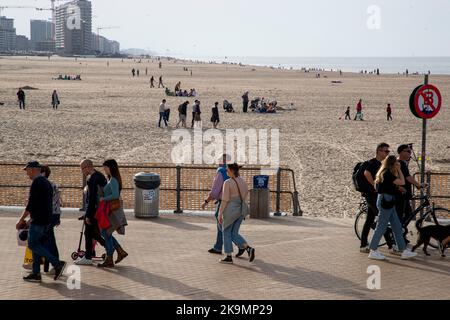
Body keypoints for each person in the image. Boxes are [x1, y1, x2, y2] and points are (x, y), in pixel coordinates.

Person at [16, 161, 66, 282]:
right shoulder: (47, 183)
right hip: (46, 219)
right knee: (37, 244)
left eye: (27, 170)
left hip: (39, 220)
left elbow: (31, 205)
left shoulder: (37, 183)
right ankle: (36, 273)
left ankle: (57, 263)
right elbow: (44, 204)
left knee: (33, 244)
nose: (27, 173)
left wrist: (21, 220)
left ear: (33, 169)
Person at [368, 156, 418, 260]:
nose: (398, 164)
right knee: (381, 227)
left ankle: (403, 250)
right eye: (396, 163)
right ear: (392, 164)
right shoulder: (387, 174)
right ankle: (373, 250)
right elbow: (402, 182)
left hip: (388, 201)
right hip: (386, 201)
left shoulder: (384, 173)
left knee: (397, 226)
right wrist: (399, 169)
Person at [218, 163, 255, 264]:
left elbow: (225, 200)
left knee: (226, 231)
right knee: (234, 233)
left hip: (231, 210)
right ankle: (248, 248)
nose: (226, 172)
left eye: (227, 170)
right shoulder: (242, 181)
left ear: (231, 171)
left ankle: (228, 256)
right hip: (241, 209)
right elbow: (245, 194)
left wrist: (220, 213)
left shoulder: (228, 182)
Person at [360, 143, 394, 253]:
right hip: (371, 195)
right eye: (386, 151)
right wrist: (374, 185)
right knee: (382, 219)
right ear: (379, 151)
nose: (387, 153)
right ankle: (390, 245)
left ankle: (363, 244)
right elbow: (366, 173)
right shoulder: (373, 162)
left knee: (369, 220)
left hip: (376, 195)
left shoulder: (383, 163)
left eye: (388, 151)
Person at [97, 159, 128, 268]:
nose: (104, 169)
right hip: (110, 210)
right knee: (106, 233)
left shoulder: (113, 180)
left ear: (111, 167)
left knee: (106, 233)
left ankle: (110, 258)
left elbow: (115, 195)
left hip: (111, 211)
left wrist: (103, 199)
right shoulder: (111, 179)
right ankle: (120, 251)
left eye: (105, 167)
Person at [75, 159, 107, 265]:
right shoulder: (98, 176)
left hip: (95, 210)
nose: (82, 171)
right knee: (91, 232)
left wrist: (88, 215)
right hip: (99, 209)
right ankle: (106, 247)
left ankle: (88, 257)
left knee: (89, 232)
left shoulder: (94, 178)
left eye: (82, 169)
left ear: (88, 167)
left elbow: (92, 198)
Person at [202, 154, 230, 254]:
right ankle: (219, 246)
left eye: (219, 160)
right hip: (232, 202)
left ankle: (241, 245)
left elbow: (215, 191)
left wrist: (206, 201)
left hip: (222, 202)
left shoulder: (220, 171)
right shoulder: (232, 171)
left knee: (221, 225)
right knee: (228, 226)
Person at [396, 145, 424, 230]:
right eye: (408, 151)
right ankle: (399, 232)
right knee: (402, 215)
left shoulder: (401, 163)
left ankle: (401, 232)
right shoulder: (400, 163)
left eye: (410, 151)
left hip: (404, 193)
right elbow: (408, 177)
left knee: (407, 213)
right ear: (401, 152)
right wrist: (418, 184)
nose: (410, 154)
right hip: (401, 194)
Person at [40, 165, 61, 274]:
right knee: (49, 238)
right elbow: (58, 201)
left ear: (43, 173)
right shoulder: (53, 184)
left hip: (48, 215)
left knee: (46, 239)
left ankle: (55, 263)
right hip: (54, 214)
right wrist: (58, 217)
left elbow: (46, 202)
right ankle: (49, 265)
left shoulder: (45, 184)